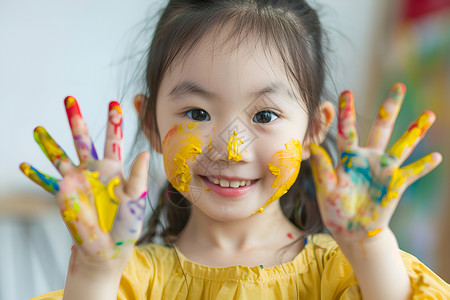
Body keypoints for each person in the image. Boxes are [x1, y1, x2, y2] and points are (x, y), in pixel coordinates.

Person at [21, 0, 450, 299]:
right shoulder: (129, 279)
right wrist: (95, 272)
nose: (231, 148)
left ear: (312, 130)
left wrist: (368, 247)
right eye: (196, 113)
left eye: (264, 116)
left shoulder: (342, 272)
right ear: (151, 121)